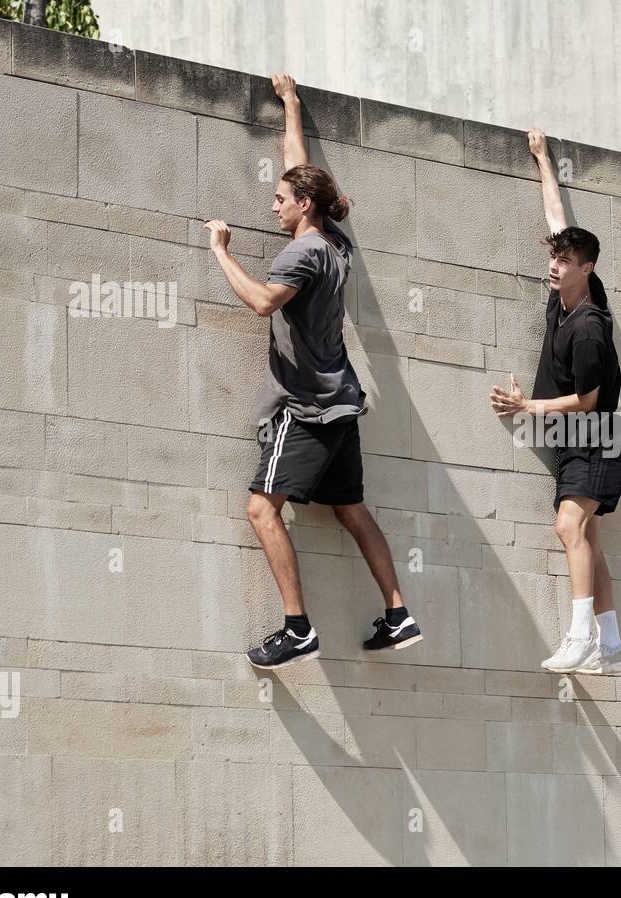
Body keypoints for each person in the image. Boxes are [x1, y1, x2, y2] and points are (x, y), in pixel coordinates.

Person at [203, 73, 423, 669]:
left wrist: (221, 251)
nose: (271, 204)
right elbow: (299, 166)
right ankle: (399, 613)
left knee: (259, 507)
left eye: (279, 199)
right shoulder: (336, 242)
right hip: (343, 401)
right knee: (349, 508)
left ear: (304, 207)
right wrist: (292, 106)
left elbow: (263, 302)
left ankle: (297, 628)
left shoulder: (301, 252)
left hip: (309, 409)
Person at [489, 128, 621, 675]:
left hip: (598, 438)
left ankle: (579, 638)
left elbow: (588, 399)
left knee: (568, 528)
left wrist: (528, 409)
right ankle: (612, 647)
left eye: (566, 261)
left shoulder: (590, 325)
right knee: (588, 539)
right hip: (578, 444)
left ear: (587, 269)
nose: (554, 265)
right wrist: (544, 161)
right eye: (554, 258)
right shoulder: (564, 294)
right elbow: (557, 219)